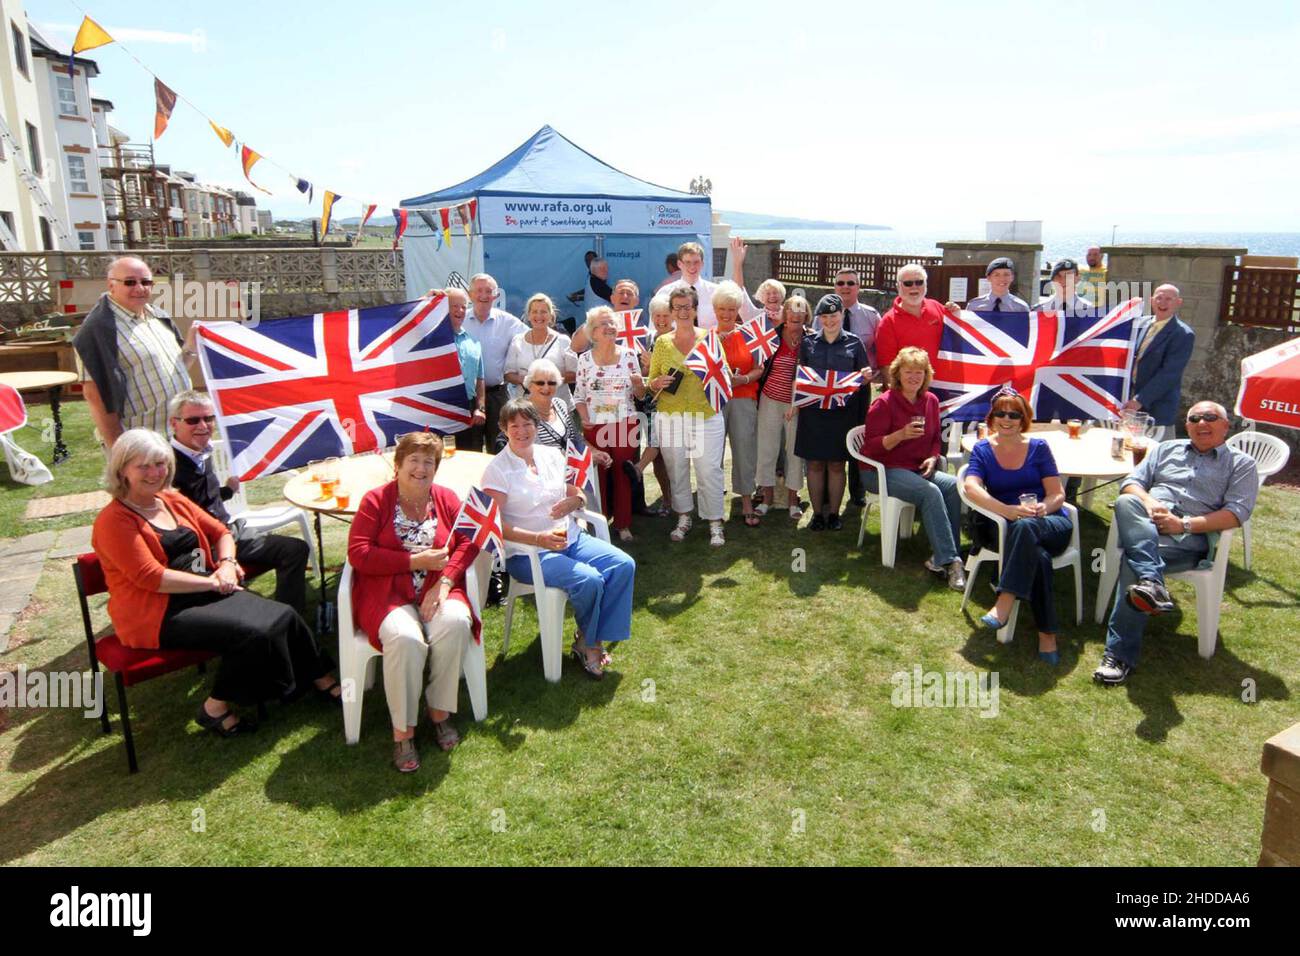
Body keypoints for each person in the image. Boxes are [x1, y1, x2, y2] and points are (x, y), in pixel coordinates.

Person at [91, 429, 339, 737]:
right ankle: (214, 707)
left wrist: (227, 564)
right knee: (254, 633)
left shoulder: (171, 500)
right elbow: (151, 578)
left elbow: (221, 532)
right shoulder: (114, 521)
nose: (155, 473)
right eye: (144, 466)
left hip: (204, 588)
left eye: (160, 463)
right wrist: (212, 583)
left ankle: (317, 677)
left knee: (282, 614)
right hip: (160, 611)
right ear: (121, 469)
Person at [1092, 401, 1258, 686]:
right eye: (1195, 418)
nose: (1202, 423)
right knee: (1127, 500)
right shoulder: (1166, 449)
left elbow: (1236, 514)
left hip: (1189, 537)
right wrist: (1151, 503)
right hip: (1147, 521)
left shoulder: (1241, 464)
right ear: (1188, 424)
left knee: (1134, 562)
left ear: (1225, 425)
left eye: (1210, 417)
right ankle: (1152, 583)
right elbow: (1131, 482)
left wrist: (1183, 524)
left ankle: (1118, 656)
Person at [347, 432, 481, 769]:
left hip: (436, 588)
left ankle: (439, 711)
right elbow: (358, 553)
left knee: (455, 623)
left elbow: (468, 542)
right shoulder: (376, 501)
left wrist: (447, 581)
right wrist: (413, 562)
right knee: (405, 639)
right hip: (387, 594)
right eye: (414, 461)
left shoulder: (446, 498)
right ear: (398, 464)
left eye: (429, 462)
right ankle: (403, 732)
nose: (421, 468)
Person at [483, 399, 636, 679]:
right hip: (528, 553)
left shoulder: (550, 455)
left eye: (527, 424)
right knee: (588, 580)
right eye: (513, 425)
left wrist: (576, 499)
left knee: (623, 565)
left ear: (536, 425)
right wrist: (538, 539)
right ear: (503, 429)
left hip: (570, 538)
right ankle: (591, 645)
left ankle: (586, 636)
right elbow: (496, 525)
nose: (521, 431)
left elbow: (573, 489)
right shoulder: (498, 469)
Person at [168, 390, 309, 614]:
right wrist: (226, 558)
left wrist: (227, 491)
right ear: (174, 423)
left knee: (295, 549)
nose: (203, 426)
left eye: (209, 418)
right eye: (193, 420)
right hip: (202, 546)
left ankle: (291, 617)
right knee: (241, 606)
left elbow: (204, 498)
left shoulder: (201, 451)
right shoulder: (166, 465)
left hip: (229, 532)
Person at [961, 388, 1071, 665]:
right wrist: (1007, 511)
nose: (1007, 418)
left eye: (1014, 414)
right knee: (1038, 555)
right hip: (1006, 526)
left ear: (1024, 419)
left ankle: (1005, 600)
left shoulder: (1039, 448)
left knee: (1027, 528)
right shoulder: (983, 450)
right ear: (992, 417)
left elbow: (1057, 494)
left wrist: (1044, 507)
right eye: (1001, 413)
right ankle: (1047, 634)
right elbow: (971, 487)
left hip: (1049, 523)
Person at [862, 347, 966, 589]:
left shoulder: (930, 401)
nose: (914, 377)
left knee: (952, 485)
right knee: (929, 492)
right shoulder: (884, 403)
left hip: (915, 467)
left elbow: (933, 440)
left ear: (926, 375)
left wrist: (933, 457)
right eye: (909, 372)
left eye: (919, 372)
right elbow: (871, 448)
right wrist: (900, 435)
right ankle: (950, 562)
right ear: (898, 374)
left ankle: (949, 553)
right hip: (881, 470)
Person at [73, 256, 193, 446]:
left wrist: (192, 347)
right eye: (130, 282)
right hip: (140, 442)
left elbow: (178, 368)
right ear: (111, 285)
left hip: (179, 434)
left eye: (146, 282)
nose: (140, 288)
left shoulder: (158, 316)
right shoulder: (98, 330)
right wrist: (118, 446)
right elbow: (94, 395)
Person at [647, 286, 728, 546]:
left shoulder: (710, 338)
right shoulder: (662, 342)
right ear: (671, 312)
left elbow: (723, 373)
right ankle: (684, 517)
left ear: (695, 309)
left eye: (687, 306)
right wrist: (657, 381)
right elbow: (651, 382)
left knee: (708, 470)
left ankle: (715, 522)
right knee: (677, 470)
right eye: (677, 307)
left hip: (704, 414)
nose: (682, 311)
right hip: (670, 415)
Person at [795, 294, 870, 531]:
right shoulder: (808, 344)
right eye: (824, 317)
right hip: (813, 412)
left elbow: (863, 380)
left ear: (841, 315)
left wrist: (865, 377)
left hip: (842, 413)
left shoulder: (854, 343)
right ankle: (818, 514)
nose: (829, 321)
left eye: (834, 316)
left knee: (837, 464)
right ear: (819, 318)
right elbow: (801, 377)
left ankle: (834, 514)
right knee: (815, 464)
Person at [574, 306, 647, 542]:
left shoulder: (628, 355)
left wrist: (638, 384)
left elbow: (641, 395)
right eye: (604, 324)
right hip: (595, 426)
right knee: (600, 475)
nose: (610, 327)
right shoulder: (584, 360)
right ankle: (601, 522)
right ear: (592, 332)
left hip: (625, 423)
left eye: (612, 323)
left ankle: (624, 524)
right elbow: (578, 396)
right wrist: (585, 418)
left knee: (622, 473)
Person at [825, 267, 882, 505]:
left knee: (859, 436)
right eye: (840, 283)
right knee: (832, 439)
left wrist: (875, 373)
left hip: (860, 389)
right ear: (835, 287)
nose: (845, 287)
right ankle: (828, 491)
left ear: (858, 287)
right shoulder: (825, 314)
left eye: (850, 283)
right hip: (831, 390)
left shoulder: (871, 316)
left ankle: (857, 491)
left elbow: (881, 349)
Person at [715, 282, 766, 527]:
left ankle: (746, 501)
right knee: (712, 455)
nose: (726, 314)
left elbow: (759, 368)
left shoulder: (749, 334)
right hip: (715, 402)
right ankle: (714, 506)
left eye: (732, 309)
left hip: (744, 399)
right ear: (715, 310)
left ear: (738, 310)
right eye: (722, 309)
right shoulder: (706, 338)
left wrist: (742, 379)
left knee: (745, 452)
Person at [755, 296, 809, 519]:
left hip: (796, 404)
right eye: (792, 311)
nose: (796, 316)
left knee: (795, 452)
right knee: (766, 449)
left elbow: (810, 376)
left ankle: (792, 500)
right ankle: (766, 497)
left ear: (806, 314)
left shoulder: (811, 339)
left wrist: (797, 403)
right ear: (785, 313)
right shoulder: (773, 336)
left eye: (801, 311)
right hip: (770, 399)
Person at [463, 273, 527, 451]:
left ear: (496, 295)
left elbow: (532, 338)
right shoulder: (459, 321)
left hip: (497, 395)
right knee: (469, 449)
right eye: (479, 291)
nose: (483, 295)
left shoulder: (508, 322)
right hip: (468, 398)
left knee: (500, 448)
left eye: (488, 291)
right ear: (469, 294)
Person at [627, 293, 675, 516]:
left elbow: (676, 375)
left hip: (671, 404)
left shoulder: (678, 340)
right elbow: (639, 377)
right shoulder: (644, 340)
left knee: (671, 454)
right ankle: (667, 500)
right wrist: (645, 369)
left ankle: (639, 469)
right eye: (657, 315)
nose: (662, 320)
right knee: (660, 458)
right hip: (647, 403)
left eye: (666, 315)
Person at [1124, 283, 1195, 431]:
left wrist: (1139, 401)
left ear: (1178, 302)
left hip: (1157, 408)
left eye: (1168, 299)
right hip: (1128, 403)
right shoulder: (1140, 324)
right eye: (1159, 298)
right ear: (1151, 300)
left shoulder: (1182, 334)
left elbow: (1169, 374)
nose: (1162, 303)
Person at [660, 239, 762, 331]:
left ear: (702, 264)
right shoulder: (665, 292)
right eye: (687, 262)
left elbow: (739, 297)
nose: (692, 267)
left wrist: (737, 264)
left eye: (696, 262)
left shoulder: (716, 291)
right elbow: (656, 327)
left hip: (710, 348)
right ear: (679, 264)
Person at [504, 293, 576, 405]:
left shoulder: (563, 341)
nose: (539, 316)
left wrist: (550, 381)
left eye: (543, 312)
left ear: (551, 315)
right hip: (525, 406)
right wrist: (523, 380)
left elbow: (574, 374)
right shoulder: (517, 341)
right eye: (534, 312)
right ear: (528, 315)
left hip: (557, 405)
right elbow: (508, 374)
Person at [875, 263, 948, 372]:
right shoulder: (888, 322)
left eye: (919, 282)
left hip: (942, 386)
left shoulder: (938, 308)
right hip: (909, 387)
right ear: (898, 287)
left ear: (926, 284)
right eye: (908, 283)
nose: (914, 287)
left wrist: (956, 314)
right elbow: (887, 367)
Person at [444, 287, 488, 450]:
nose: (460, 310)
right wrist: (427, 299)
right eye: (454, 306)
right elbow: (413, 320)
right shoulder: (432, 340)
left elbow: (480, 379)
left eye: (463, 306)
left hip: (469, 411)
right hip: (441, 409)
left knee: (471, 457)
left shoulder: (473, 342)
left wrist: (480, 408)